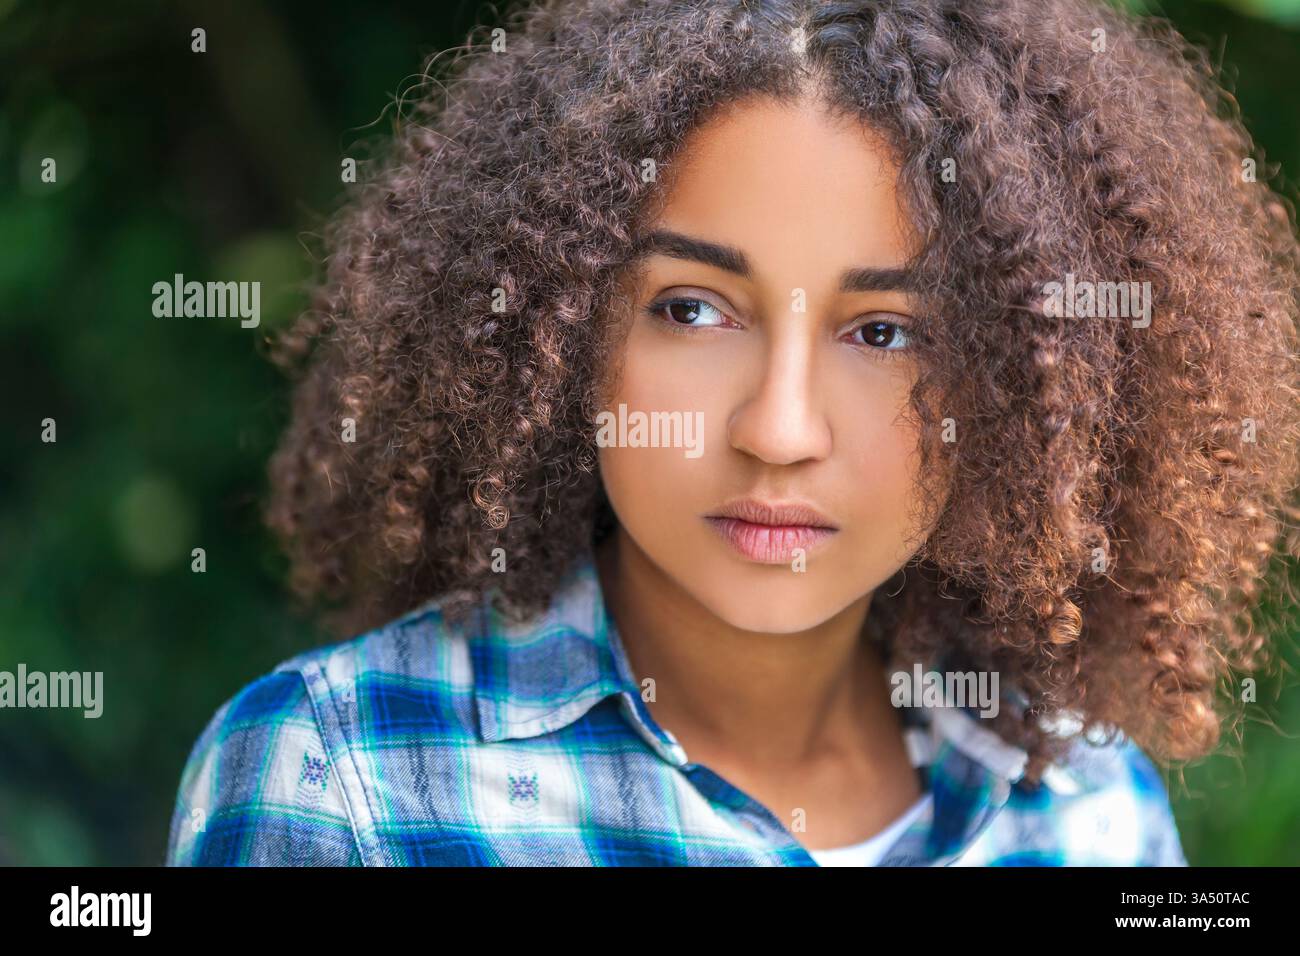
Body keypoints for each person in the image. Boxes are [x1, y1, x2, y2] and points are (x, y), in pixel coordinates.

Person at [165, 0, 1300, 866]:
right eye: (692, 309)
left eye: (887, 331)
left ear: (1026, 387)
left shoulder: (1092, 815)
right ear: (557, 326)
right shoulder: (344, 777)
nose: (779, 428)